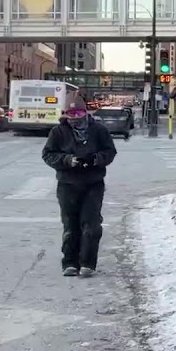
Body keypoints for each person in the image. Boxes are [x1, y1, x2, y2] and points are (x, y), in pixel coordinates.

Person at [42, 92, 117, 278]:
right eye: (70, 114)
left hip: (93, 183)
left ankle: (88, 263)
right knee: (70, 225)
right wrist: (68, 160)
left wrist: (95, 159)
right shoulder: (58, 132)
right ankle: (70, 262)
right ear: (65, 114)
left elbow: (110, 151)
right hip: (67, 184)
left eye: (78, 113)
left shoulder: (98, 130)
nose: (75, 118)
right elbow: (48, 154)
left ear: (85, 112)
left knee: (91, 225)